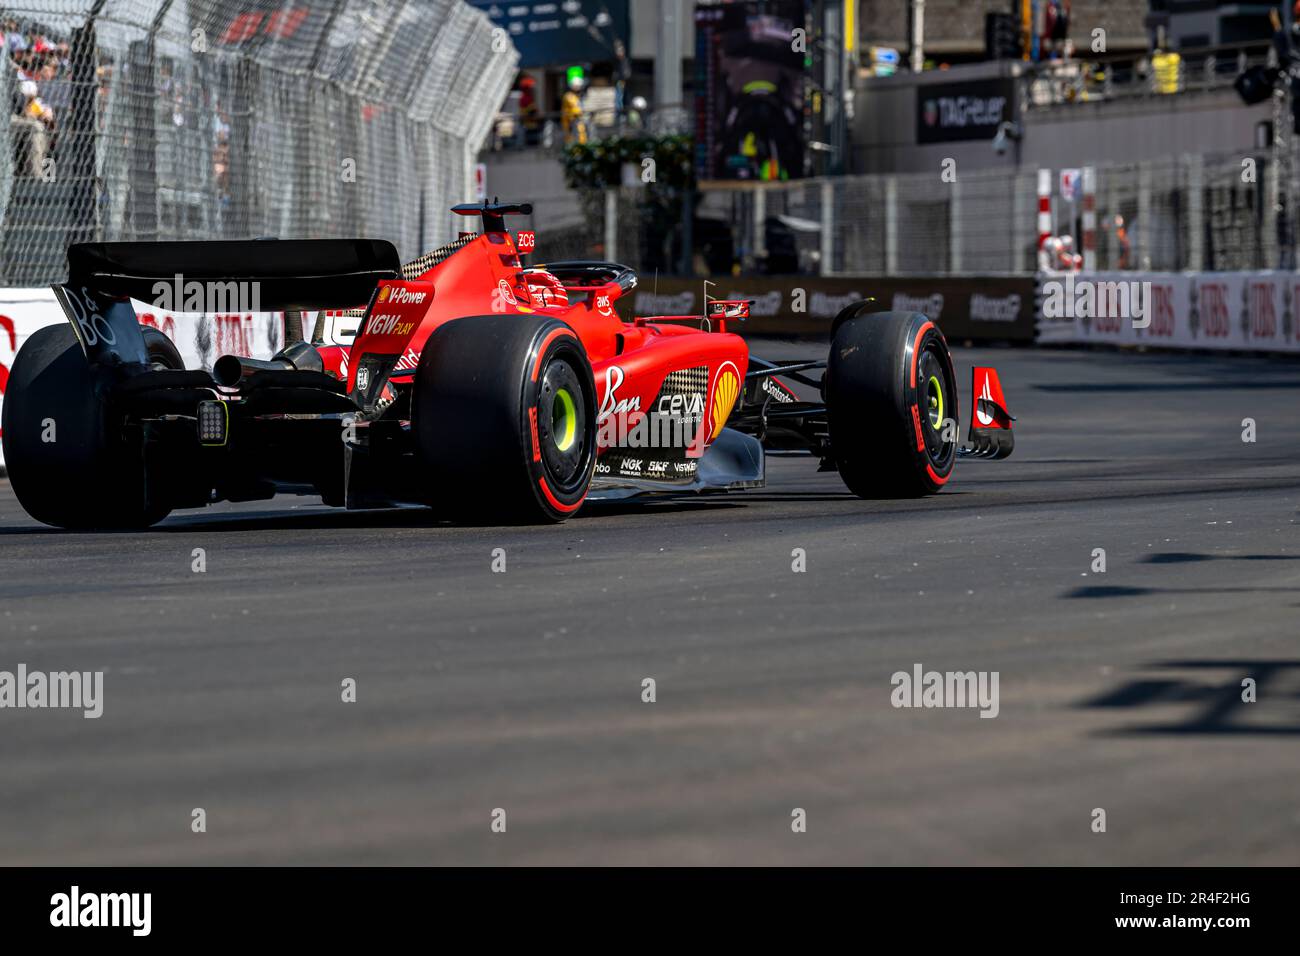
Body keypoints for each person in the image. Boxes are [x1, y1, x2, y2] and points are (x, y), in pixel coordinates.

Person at [561, 75, 586, 145]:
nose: (580, 88)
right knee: (571, 141)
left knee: (581, 138)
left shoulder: (575, 96)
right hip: (571, 123)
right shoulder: (569, 96)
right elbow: (575, 108)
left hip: (576, 122)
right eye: (578, 86)